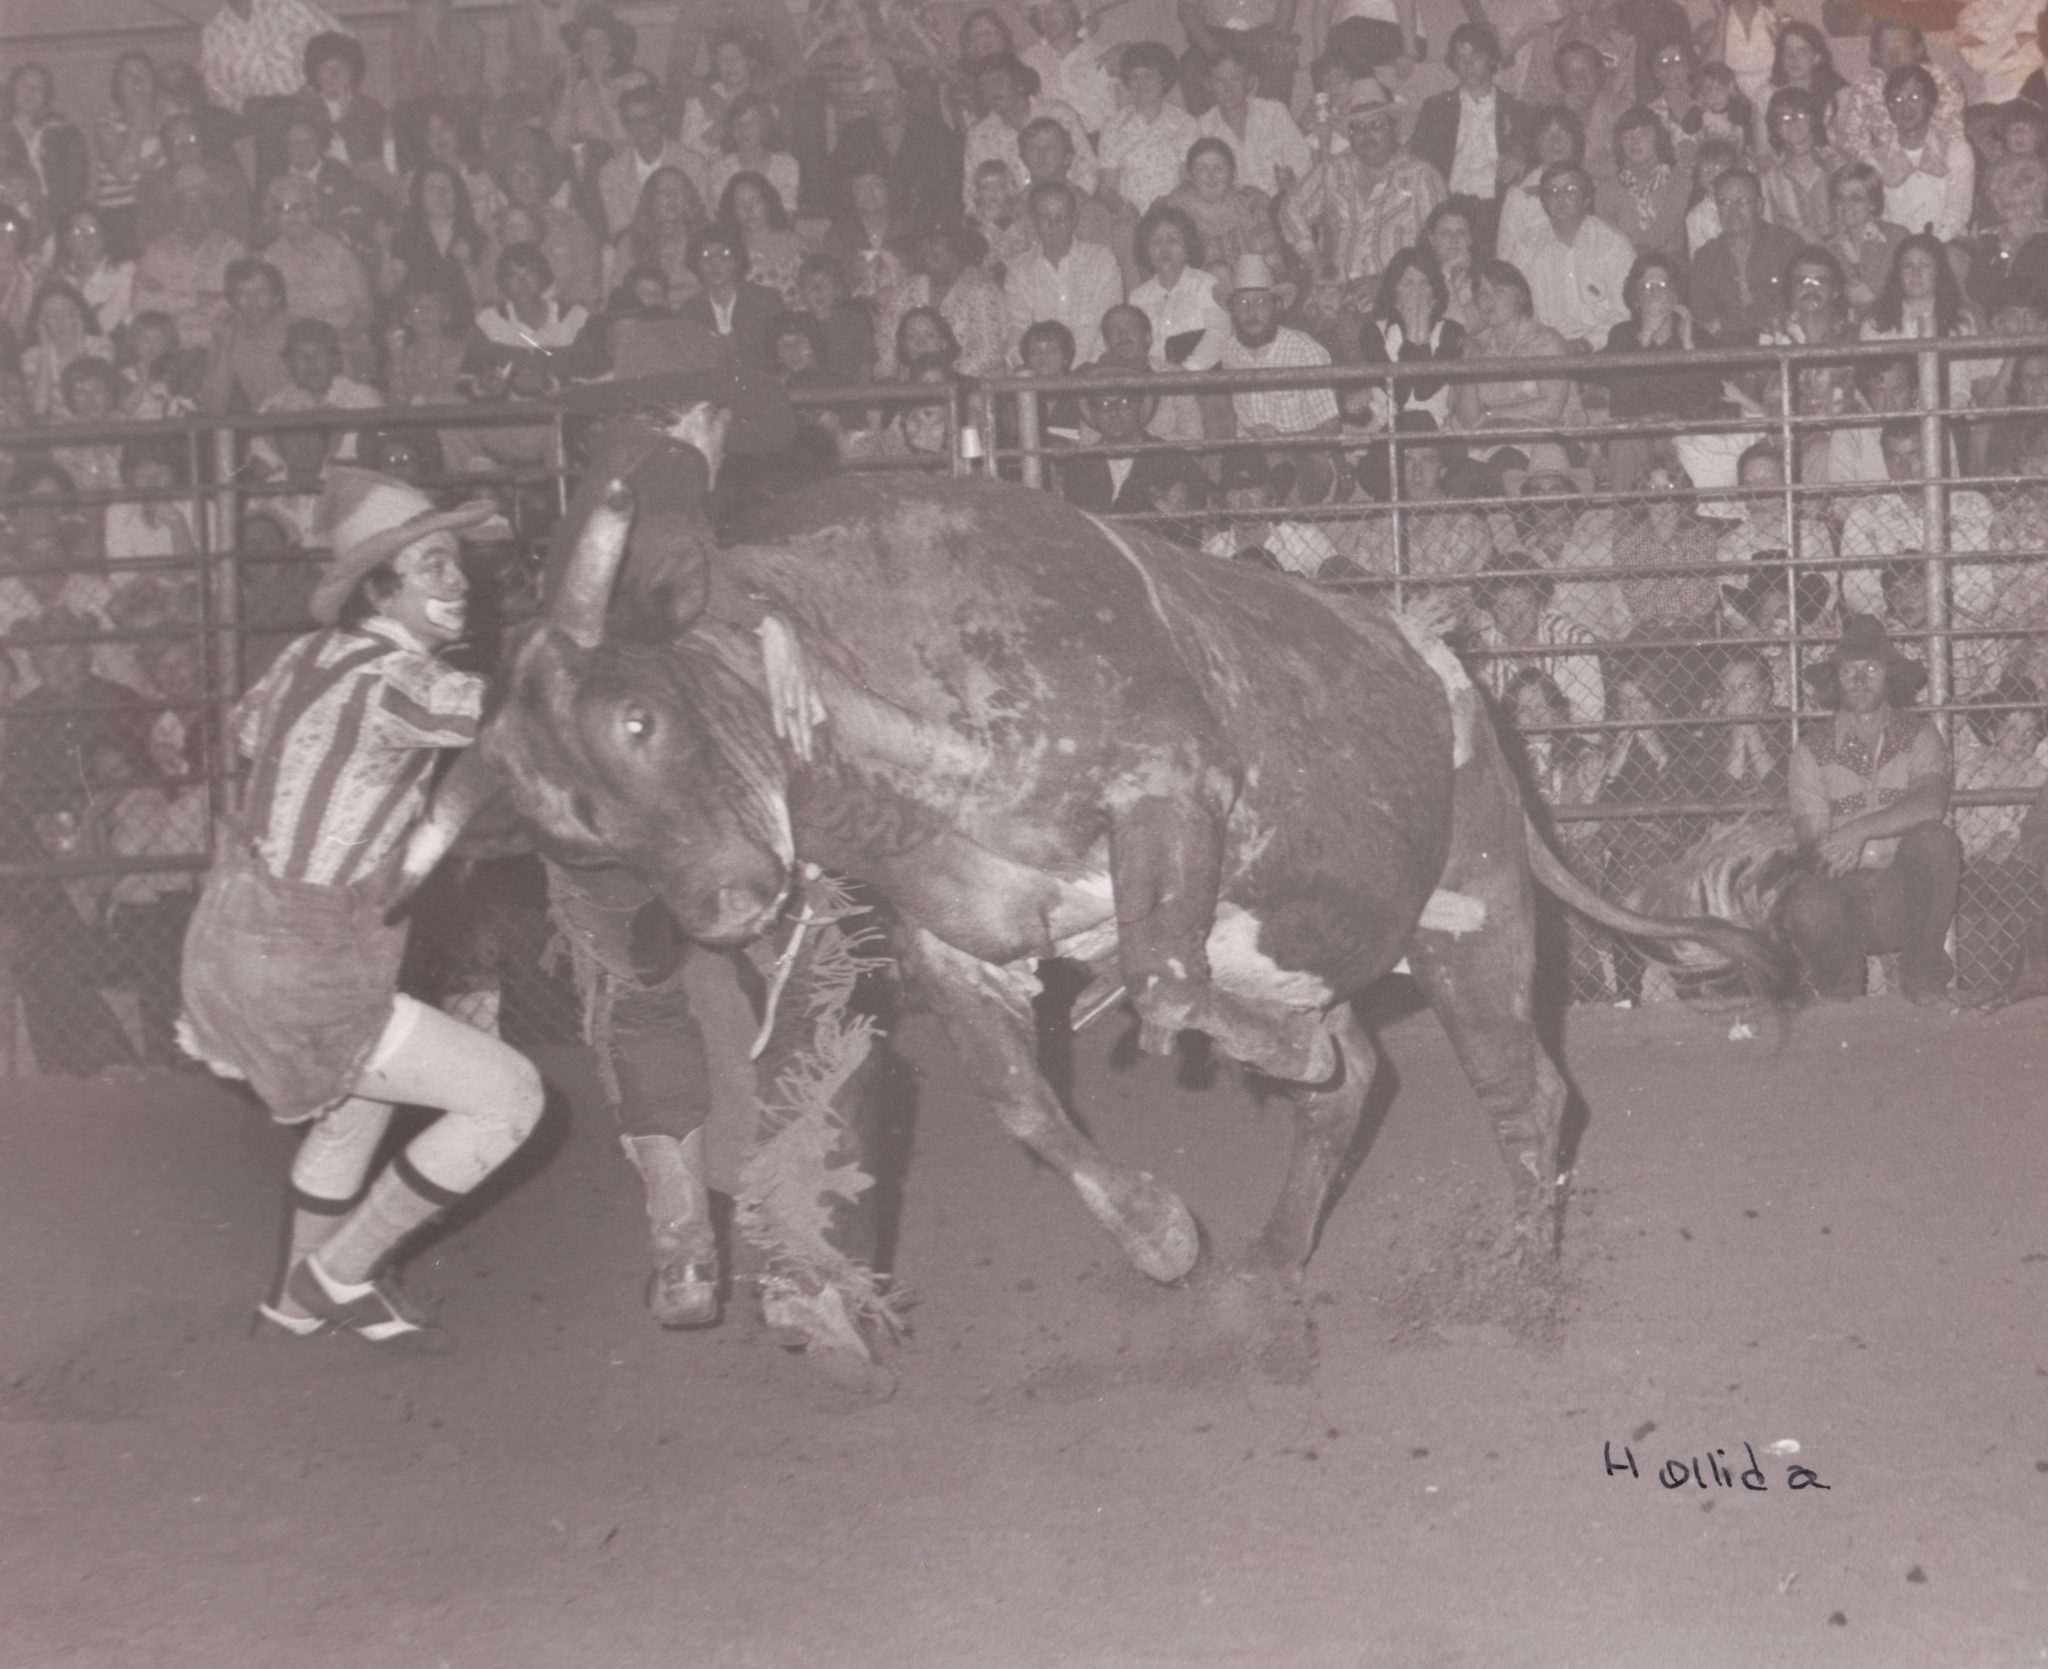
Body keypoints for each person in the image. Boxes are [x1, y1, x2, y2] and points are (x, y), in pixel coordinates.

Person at [178, 467, 543, 1348]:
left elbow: (248, 728)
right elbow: (516, 721)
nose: (458, 583)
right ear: (381, 588)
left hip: (226, 942)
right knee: (511, 1098)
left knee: (357, 1107)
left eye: (456, 562)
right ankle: (339, 1272)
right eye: (433, 566)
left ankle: (293, 1306)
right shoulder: (401, 680)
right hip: (306, 962)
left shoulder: (302, 657)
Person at [1782, 614, 1963, 1006]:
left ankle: (1923, 980)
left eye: (1872, 668)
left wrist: (1857, 830)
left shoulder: (1918, 734)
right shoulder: (1811, 748)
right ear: (1836, 680)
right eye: (1849, 670)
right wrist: (1836, 852)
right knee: (1805, 894)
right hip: (1845, 894)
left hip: (1904, 891)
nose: (1860, 679)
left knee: (1936, 840)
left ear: (1890, 676)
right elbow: (1814, 842)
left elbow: (1931, 802)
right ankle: (1840, 999)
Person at [1279, 79, 1443, 296]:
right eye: (1358, 128)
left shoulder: (1422, 176)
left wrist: (1389, 280)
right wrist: (1314, 260)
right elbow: (1291, 207)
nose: (1367, 135)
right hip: (1339, 296)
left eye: (1376, 126)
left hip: (1398, 295)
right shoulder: (1332, 170)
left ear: (1394, 129)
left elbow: (1439, 243)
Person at [1217, 251, 1339, 504]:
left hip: (1307, 462)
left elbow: (1330, 430)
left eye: (1261, 302)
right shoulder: (1229, 351)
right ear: (1231, 309)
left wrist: (1280, 440)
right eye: (1242, 303)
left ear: (1278, 306)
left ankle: (1276, 520)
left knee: (1272, 462)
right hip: (1251, 463)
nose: (1251, 311)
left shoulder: (1305, 350)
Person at [1409, 23, 1525, 236]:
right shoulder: (1436, 108)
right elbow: (1419, 162)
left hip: (1499, 211)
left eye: (1476, 56)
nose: (1468, 64)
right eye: (1460, 57)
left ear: (1492, 58)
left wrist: (1520, 153)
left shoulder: (1517, 110)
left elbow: (1529, 151)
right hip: (1450, 209)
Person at [1004, 179, 1122, 367]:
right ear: (1034, 221)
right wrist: (1025, 370)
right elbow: (1016, 329)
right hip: (1037, 376)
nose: (1053, 224)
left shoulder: (1101, 261)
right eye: (1045, 217)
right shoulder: (1019, 270)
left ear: (1074, 218)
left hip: (1092, 373)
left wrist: (1075, 373)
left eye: (1061, 216)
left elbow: (1104, 329)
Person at [1519, 161, 1633, 353]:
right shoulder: (1527, 246)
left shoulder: (1613, 244)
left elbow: (1626, 312)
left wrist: (1586, 343)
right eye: (1552, 191)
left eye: (1571, 190)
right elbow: (1518, 310)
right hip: (1546, 352)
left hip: (1603, 350)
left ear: (1587, 198)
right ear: (1543, 201)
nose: (1560, 197)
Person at [961, 52, 1097, 212]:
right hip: (1010, 219)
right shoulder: (979, 136)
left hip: (1066, 211)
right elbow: (971, 193)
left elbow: (1088, 169)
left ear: (1019, 82)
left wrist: (1069, 205)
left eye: (997, 82)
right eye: (984, 87)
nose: (991, 92)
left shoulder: (1059, 114)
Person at [133, 164, 247, 354]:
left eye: (204, 203)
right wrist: (196, 299)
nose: (195, 212)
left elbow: (238, 303)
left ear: (213, 208)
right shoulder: (157, 252)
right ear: (175, 211)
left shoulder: (233, 251)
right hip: (170, 350)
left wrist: (172, 297)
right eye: (186, 204)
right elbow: (143, 304)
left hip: (219, 348)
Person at [1688, 167, 1803, 343]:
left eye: (1742, 202)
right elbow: (1705, 321)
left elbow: (1789, 308)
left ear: (1759, 205)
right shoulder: (1706, 257)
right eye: (1725, 203)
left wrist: (1727, 323)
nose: (1733, 211)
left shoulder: (1786, 245)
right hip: (1727, 353)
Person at [1869, 65, 1973, 244]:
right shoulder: (1876, 160)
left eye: (1915, 98)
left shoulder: (1956, 151)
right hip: (1896, 247)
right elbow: (1879, 218)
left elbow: (1958, 213)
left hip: (1948, 244)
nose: (1905, 107)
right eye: (1897, 100)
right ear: (1889, 109)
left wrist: (1931, 245)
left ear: (1931, 104)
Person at [1165, 136, 1282, 293]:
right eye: (1202, 169)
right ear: (1191, 174)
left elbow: (1273, 263)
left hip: (1247, 296)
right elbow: (1169, 271)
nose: (1211, 175)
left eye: (1219, 168)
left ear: (1232, 173)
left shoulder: (1249, 207)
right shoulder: (1175, 212)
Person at [1195, 41, 1312, 198]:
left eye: (1235, 79)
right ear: (1208, 84)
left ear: (1249, 81)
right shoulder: (1202, 129)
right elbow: (1205, 188)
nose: (1228, 88)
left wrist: (1286, 189)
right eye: (1219, 80)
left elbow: (1303, 166)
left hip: (1284, 203)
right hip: (1235, 209)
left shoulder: (1274, 113)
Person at [599, 84, 707, 242]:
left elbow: (700, 220)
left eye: (647, 119)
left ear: (662, 119)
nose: (641, 127)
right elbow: (619, 229)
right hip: (636, 250)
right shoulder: (612, 172)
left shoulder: (692, 164)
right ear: (625, 126)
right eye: (632, 121)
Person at [675, 226, 780, 370]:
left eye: (724, 254)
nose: (715, 263)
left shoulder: (765, 301)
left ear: (737, 260)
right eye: (705, 256)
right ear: (696, 265)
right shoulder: (689, 310)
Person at [200, 256, 292, 414]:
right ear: (233, 301)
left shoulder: (296, 331)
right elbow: (213, 408)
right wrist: (223, 347)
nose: (253, 301)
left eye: (261, 292)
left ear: (277, 297)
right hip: (263, 425)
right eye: (243, 293)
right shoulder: (227, 333)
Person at [1598, 103, 1688, 260]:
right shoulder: (1607, 188)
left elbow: (1660, 235)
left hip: (1670, 266)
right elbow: (1606, 240)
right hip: (1622, 264)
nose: (1634, 142)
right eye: (1627, 136)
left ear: (1658, 138)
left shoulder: (1679, 179)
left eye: (1643, 134)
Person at [1757, 87, 1841, 247]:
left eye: (1800, 115)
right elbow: (1771, 236)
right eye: (1784, 117)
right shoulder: (1770, 180)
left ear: (1813, 119)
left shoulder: (1836, 163)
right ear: (1775, 127)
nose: (1793, 123)